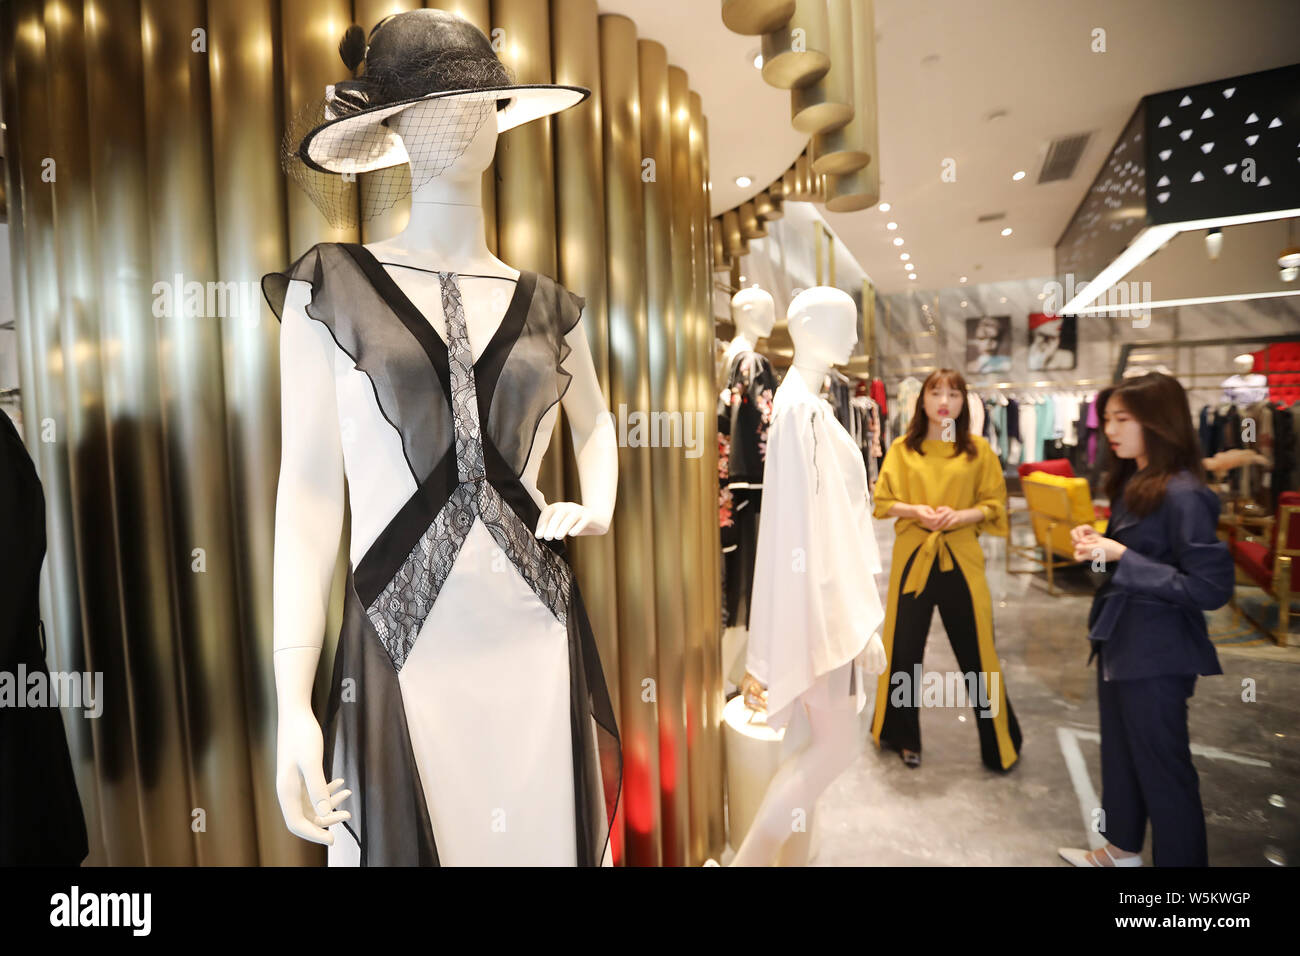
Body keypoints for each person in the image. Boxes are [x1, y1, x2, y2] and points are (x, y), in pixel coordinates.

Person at [1059, 372, 1233, 868]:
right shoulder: (1134, 480)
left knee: (1164, 770)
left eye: (1122, 419)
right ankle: (1120, 849)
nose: (1109, 430)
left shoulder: (1184, 493)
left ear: (1157, 423)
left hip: (1157, 653)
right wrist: (1095, 551)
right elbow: (1116, 569)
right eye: (1107, 419)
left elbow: (1209, 588)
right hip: (1119, 640)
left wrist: (1120, 555)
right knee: (1120, 756)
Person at [870, 368, 1023, 771]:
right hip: (913, 557)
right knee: (904, 652)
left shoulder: (978, 452)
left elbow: (994, 506)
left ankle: (999, 743)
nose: (944, 401)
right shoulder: (904, 449)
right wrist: (915, 510)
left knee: (978, 652)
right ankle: (903, 736)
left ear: (964, 402)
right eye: (936, 392)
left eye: (953, 394)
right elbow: (882, 501)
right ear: (921, 400)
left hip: (961, 558)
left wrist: (960, 516)